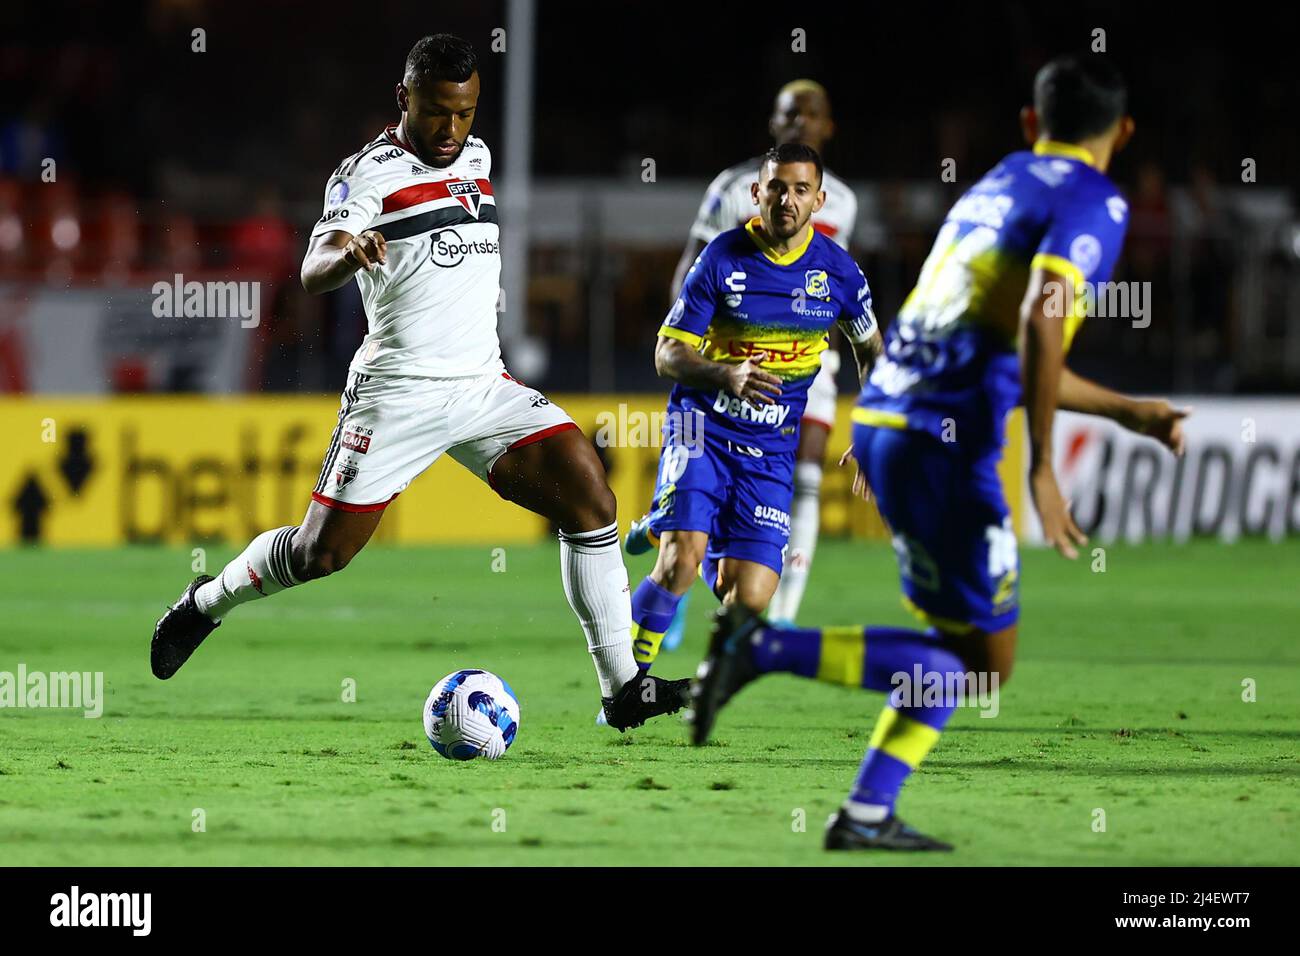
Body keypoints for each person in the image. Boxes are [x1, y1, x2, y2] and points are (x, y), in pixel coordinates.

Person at [690, 55, 1190, 851]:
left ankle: (864, 812)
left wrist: (1125, 410)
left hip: (892, 418)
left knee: (956, 654)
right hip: (945, 448)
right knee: (983, 663)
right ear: (1122, 133)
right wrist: (1042, 467)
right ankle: (764, 648)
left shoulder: (995, 186)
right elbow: (1040, 319)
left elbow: (989, 343)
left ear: (1031, 125)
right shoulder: (1094, 199)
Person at [150, 34, 689, 735]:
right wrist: (350, 253)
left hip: (481, 386)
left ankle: (623, 689)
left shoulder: (478, 157)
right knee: (322, 554)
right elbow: (314, 264)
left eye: (464, 113)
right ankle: (206, 602)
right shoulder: (366, 174)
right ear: (404, 99)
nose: (450, 128)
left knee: (589, 495)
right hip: (397, 390)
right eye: (436, 111)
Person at [623, 142, 882, 719]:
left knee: (752, 600)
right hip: (699, 424)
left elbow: (872, 353)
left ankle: (660, 524)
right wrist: (723, 372)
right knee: (681, 561)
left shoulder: (839, 273)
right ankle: (627, 684)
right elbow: (667, 354)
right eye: (776, 188)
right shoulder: (722, 257)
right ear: (756, 193)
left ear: (819, 199)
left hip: (769, 447)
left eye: (799, 190)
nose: (786, 200)